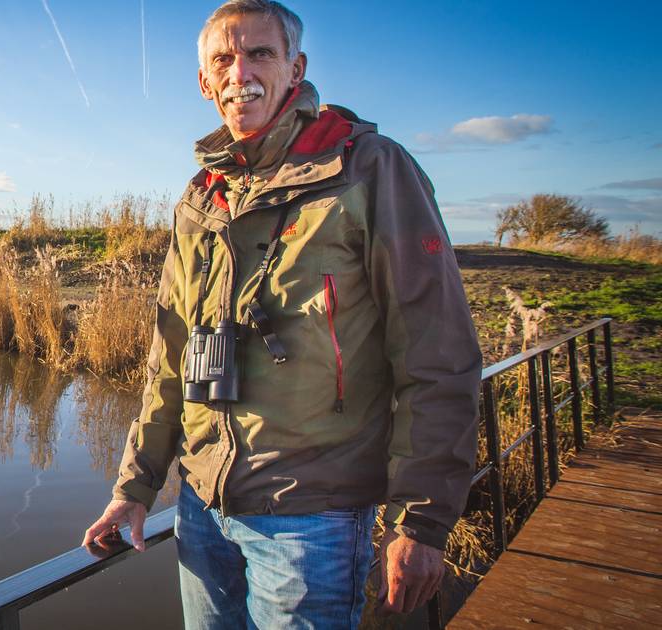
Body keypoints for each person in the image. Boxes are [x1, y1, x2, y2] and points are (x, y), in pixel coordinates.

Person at [81, 1, 482, 627]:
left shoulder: (368, 168)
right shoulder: (201, 195)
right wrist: (134, 489)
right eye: (223, 59)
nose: (240, 72)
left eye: (260, 53)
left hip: (312, 519)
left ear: (296, 68)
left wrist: (422, 522)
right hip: (202, 507)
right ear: (205, 82)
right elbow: (170, 357)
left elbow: (438, 353)